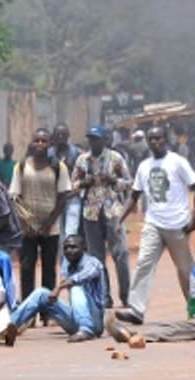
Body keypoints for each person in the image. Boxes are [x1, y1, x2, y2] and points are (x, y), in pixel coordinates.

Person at [114, 126, 195, 325]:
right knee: (144, 263)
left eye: (158, 138)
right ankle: (136, 309)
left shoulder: (178, 162)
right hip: (153, 223)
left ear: (166, 140)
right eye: (151, 138)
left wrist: (194, 218)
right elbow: (134, 196)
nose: (155, 142)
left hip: (178, 224)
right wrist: (119, 219)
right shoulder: (144, 166)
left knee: (185, 269)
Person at [5, 234, 106, 344]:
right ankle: (7, 326)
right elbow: (64, 281)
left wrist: (58, 288)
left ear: (84, 248)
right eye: (66, 248)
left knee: (76, 288)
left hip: (95, 321)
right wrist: (53, 295)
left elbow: (76, 279)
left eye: (73, 247)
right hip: (75, 320)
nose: (69, 251)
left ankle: (86, 330)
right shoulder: (67, 263)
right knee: (41, 293)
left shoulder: (92, 262)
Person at [73, 125, 133, 308]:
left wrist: (113, 180)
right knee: (96, 258)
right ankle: (104, 296)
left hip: (113, 211)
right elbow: (73, 184)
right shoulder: (82, 160)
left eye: (96, 138)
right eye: (91, 138)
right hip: (91, 213)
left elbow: (129, 182)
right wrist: (85, 182)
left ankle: (125, 295)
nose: (93, 142)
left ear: (105, 140)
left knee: (121, 254)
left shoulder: (115, 158)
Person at [10, 128, 70, 305]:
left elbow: (63, 198)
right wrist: (24, 224)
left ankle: (47, 310)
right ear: (32, 143)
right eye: (37, 141)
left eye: (44, 141)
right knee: (27, 269)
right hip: (27, 229)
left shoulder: (59, 167)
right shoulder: (21, 166)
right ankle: (28, 309)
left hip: (51, 228)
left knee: (49, 270)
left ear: (50, 144)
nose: (40, 144)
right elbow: (15, 196)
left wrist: (48, 224)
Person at [48, 123, 82, 238]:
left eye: (63, 134)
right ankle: (61, 255)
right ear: (54, 136)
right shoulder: (49, 154)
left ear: (68, 135)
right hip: (55, 199)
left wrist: (76, 190)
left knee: (70, 232)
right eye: (58, 134)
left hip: (72, 197)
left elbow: (83, 176)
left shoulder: (77, 153)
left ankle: (67, 256)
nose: (61, 137)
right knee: (58, 233)